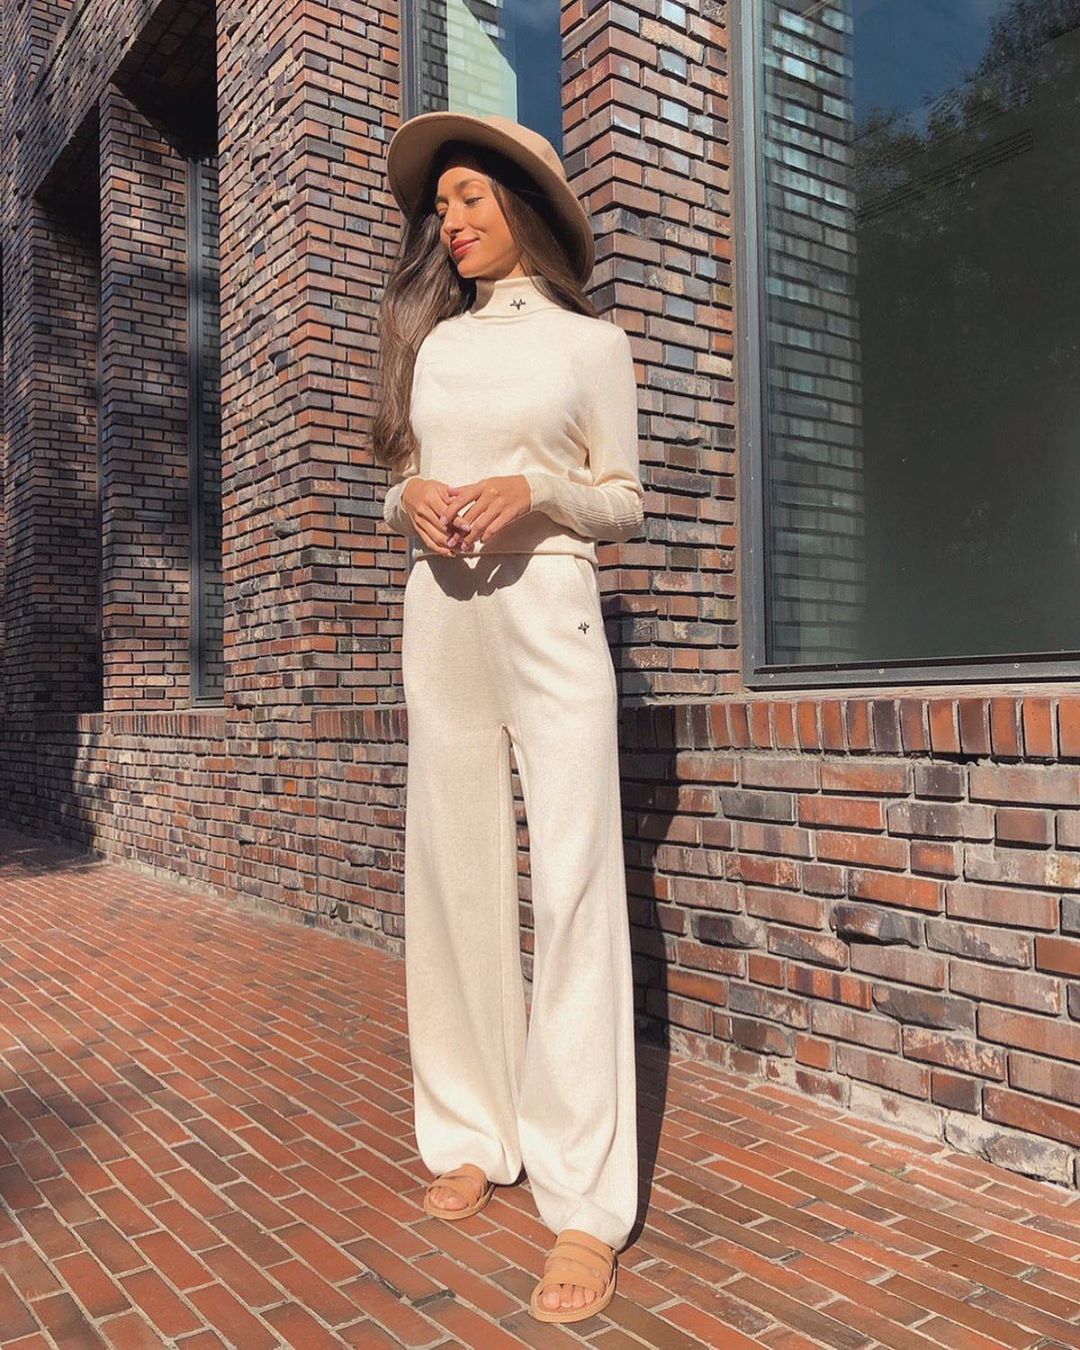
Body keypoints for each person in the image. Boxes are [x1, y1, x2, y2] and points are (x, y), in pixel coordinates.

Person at [374, 111, 644, 1325]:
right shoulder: (433, 347)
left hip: (549, 613)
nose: (452, 222)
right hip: (441, 618)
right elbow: (401, 479)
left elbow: (625, 500)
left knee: (574, 883)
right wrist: (412, 501)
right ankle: (472, 1128)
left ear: (521, 206)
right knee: (454, 873)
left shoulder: (594, 344)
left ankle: (584, 1198)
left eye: (470, 198)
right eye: (441, 207)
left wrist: (534, 489)